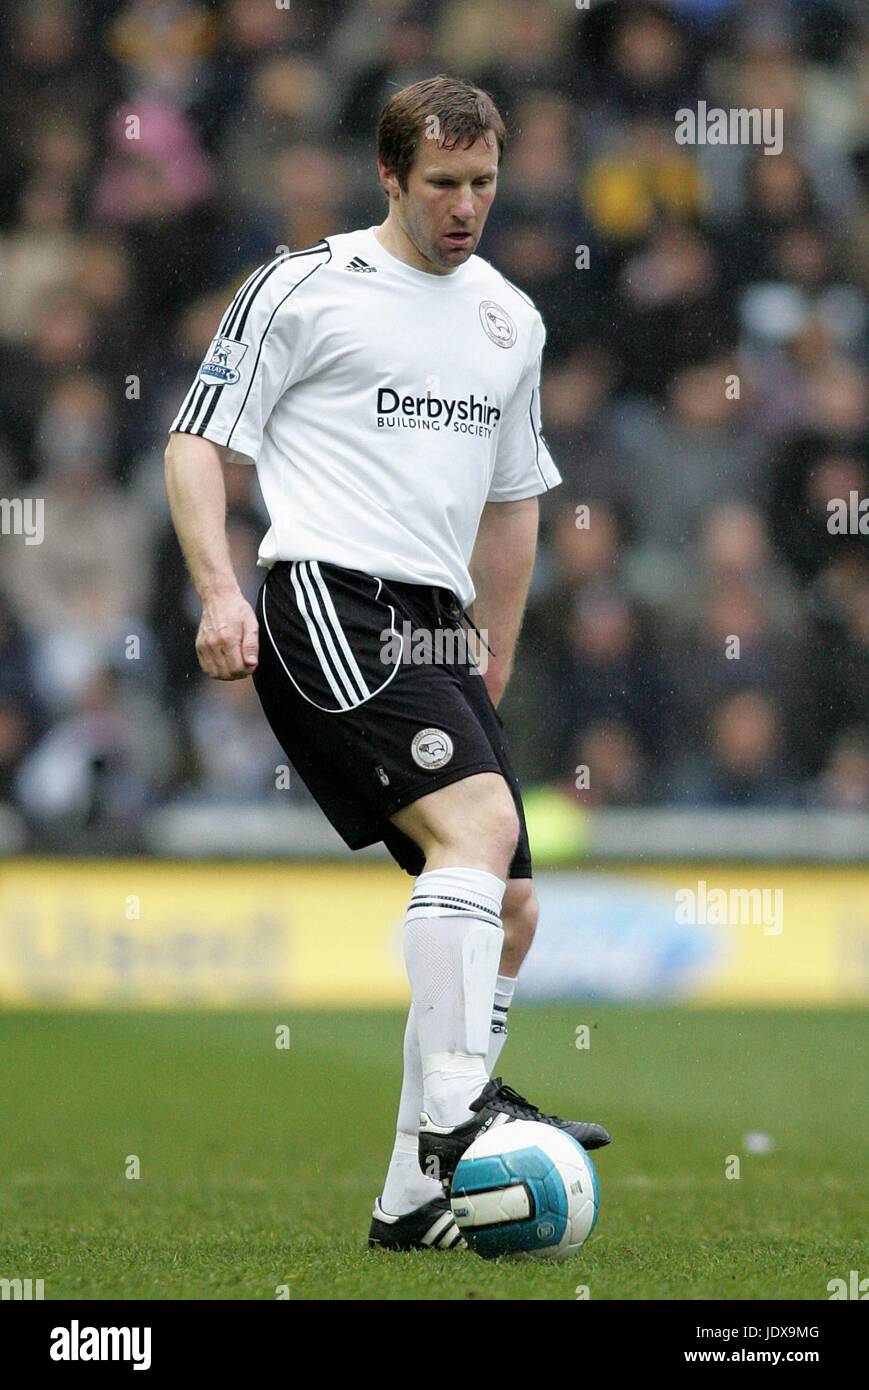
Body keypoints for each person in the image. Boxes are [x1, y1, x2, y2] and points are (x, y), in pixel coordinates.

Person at [164, 74, 610, 1253]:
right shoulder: (302, 289)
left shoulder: (510, 318)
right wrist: (219, 585)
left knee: (507, 900)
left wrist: (491, 655)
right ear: (390, 178)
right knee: (478, 835)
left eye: (484, 183)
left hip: (432, 627)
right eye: (443, 185)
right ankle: (460, 1115)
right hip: (323, 593)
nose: (466, 207)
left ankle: (411, 1203)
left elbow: (515, 506)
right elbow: (196, 442)